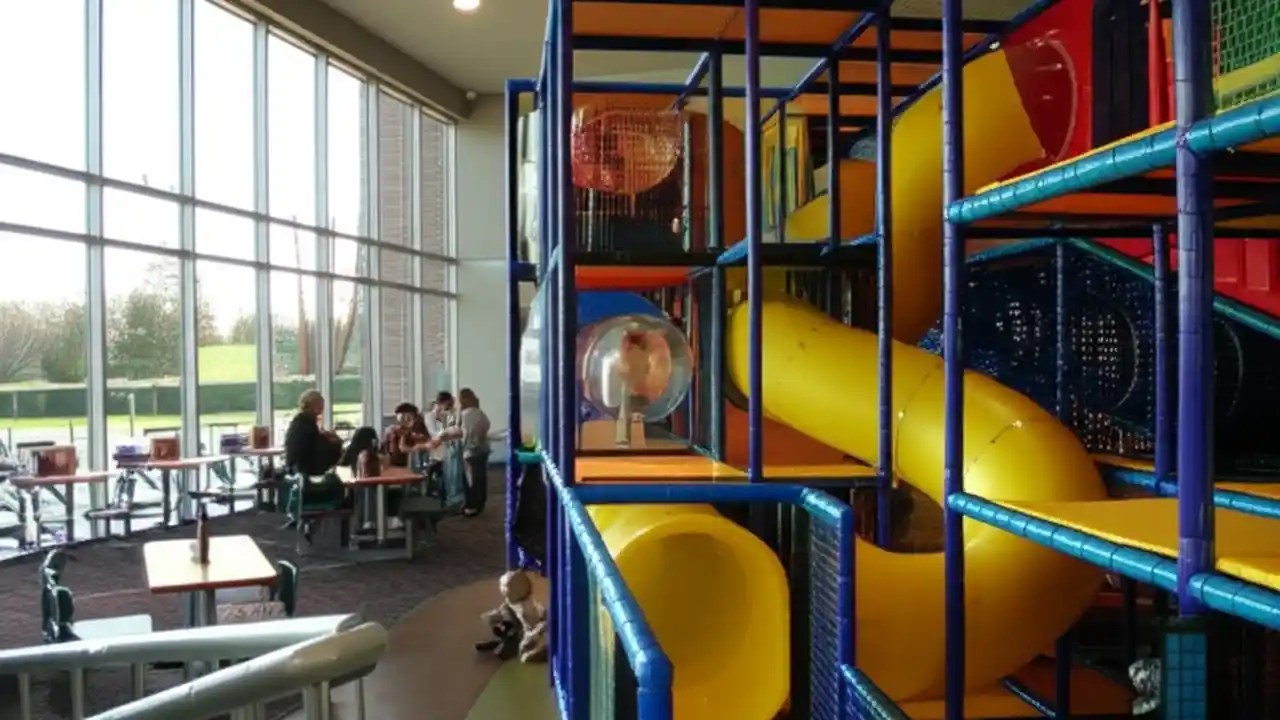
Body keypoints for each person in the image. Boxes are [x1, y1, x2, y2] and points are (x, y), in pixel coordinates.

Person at [429, 388, 491, 517]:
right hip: (475, 451)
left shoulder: (466, 414)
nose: (454, 406)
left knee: (470, 480)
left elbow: (457, 431)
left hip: (469, 452)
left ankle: (469, 506)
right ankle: (472, 505)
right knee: (476, 479)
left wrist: (441, 435)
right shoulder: (478, 413)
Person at [284, 390, 343, 476]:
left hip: (295, 469)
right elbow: (315, 450)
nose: (321, 410)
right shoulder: (307, 425)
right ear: (313, 406)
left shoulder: (298, 422)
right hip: (306, 471)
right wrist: (335, 442)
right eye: (320, 406)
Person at [382, 402, 429, 467]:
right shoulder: (393, 431)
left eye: (408, 417)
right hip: (395, 465)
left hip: (414, 464)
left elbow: (426, 441)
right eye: (402, 417)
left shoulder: (418, 427)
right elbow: (402, 448)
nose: (405, 420)